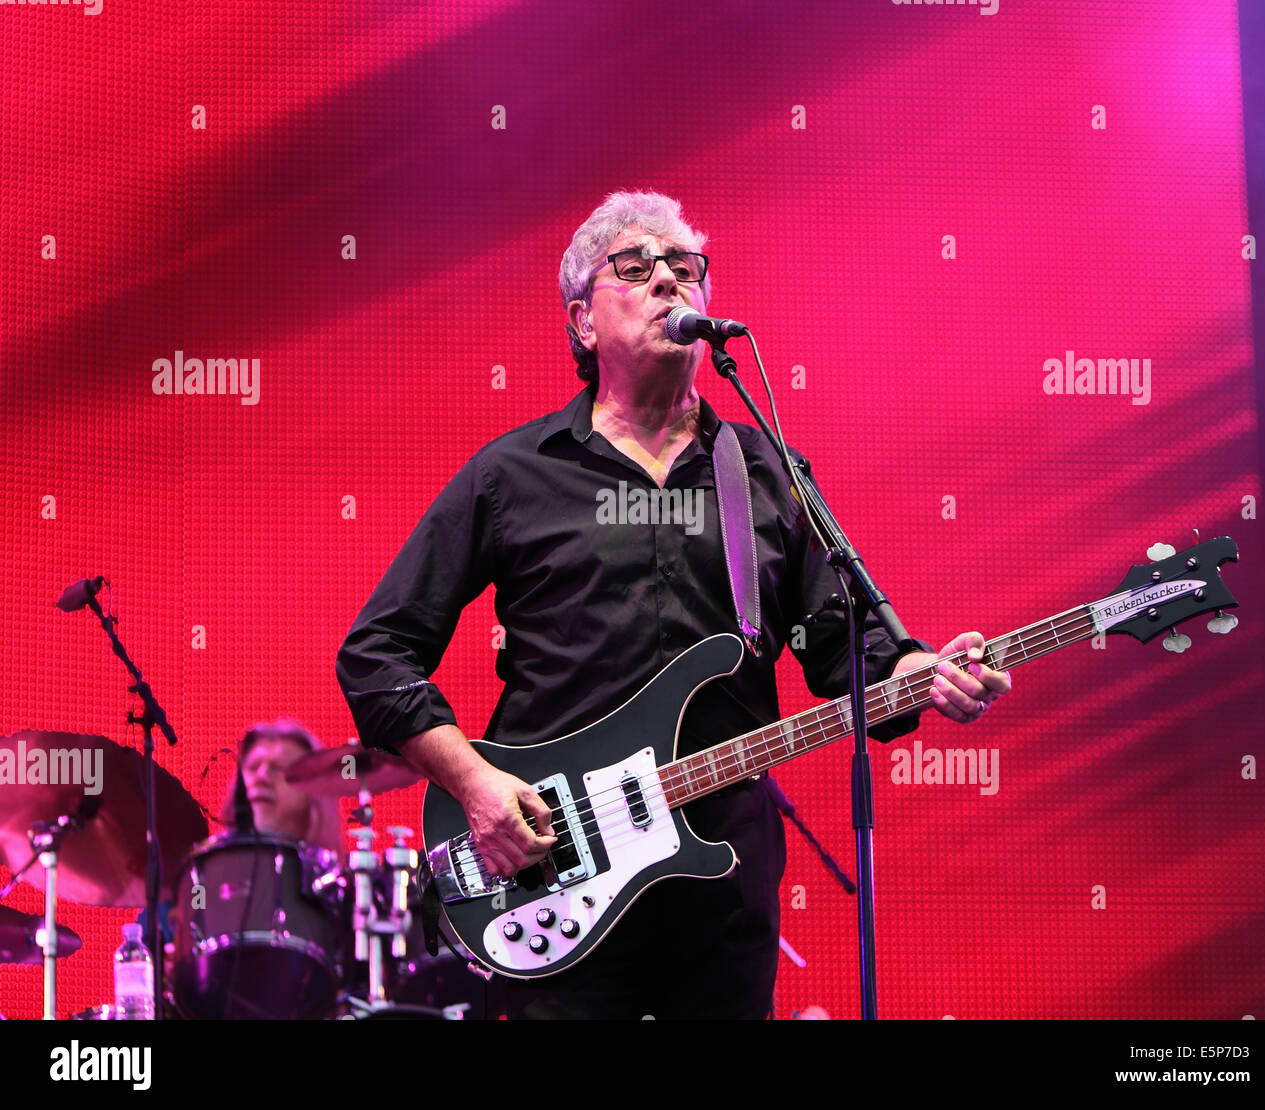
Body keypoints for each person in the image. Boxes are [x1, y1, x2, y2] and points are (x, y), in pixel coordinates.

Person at [336, 190, 1011, 1019]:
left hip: (721, 873)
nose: (667, 280)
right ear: (583, 322)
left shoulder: (766, 472)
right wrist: (475, 784)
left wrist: (918, 668)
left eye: (685, 266)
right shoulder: (512, 476)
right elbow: (376, 653)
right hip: (558, 868)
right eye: (636, 266)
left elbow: (845, 651)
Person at [218, 718, 343, 854]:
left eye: (279, 768)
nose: (262, 776)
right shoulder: (209, 871)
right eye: (253, 767)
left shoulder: (343, 875)